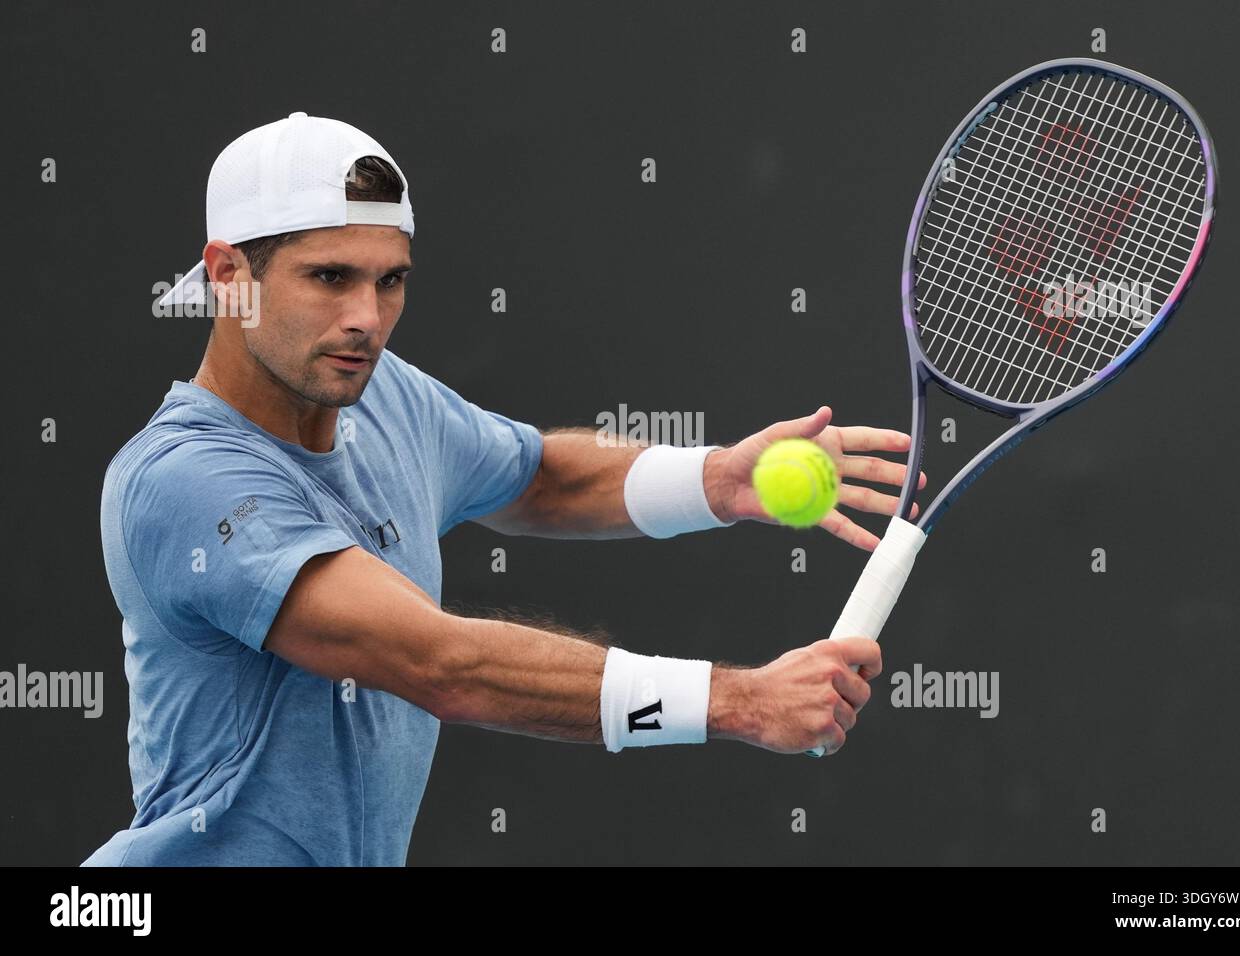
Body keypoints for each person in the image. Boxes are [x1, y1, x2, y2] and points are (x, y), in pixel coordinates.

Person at [84, 112, 921, 866]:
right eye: (330, 277)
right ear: (229, 274)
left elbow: (538, 477)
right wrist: (740, 699)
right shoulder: (183, 482)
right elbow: (442, 664)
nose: (368, 319)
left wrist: (716, 479)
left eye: (391, 279)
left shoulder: (384, 395)